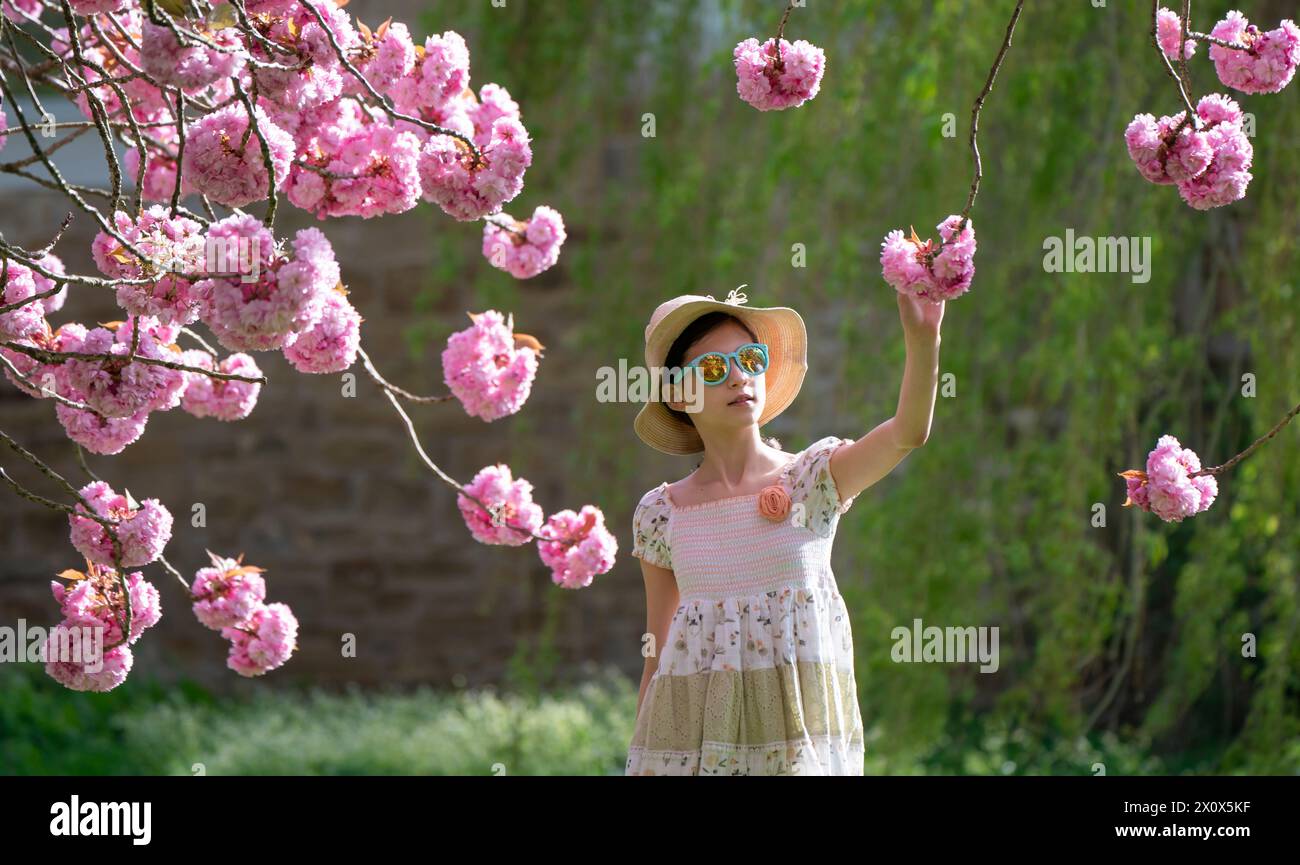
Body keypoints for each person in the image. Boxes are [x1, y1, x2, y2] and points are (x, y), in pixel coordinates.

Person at [625, 285, 944, 775]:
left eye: (750, 359)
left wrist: (924, 340)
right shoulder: (661, 514)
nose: (738, 377)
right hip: (695, 750)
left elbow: (908, 433)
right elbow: (657, 651)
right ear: (676, 393)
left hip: (799, 747)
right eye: (712, 368)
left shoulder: (812, 479)